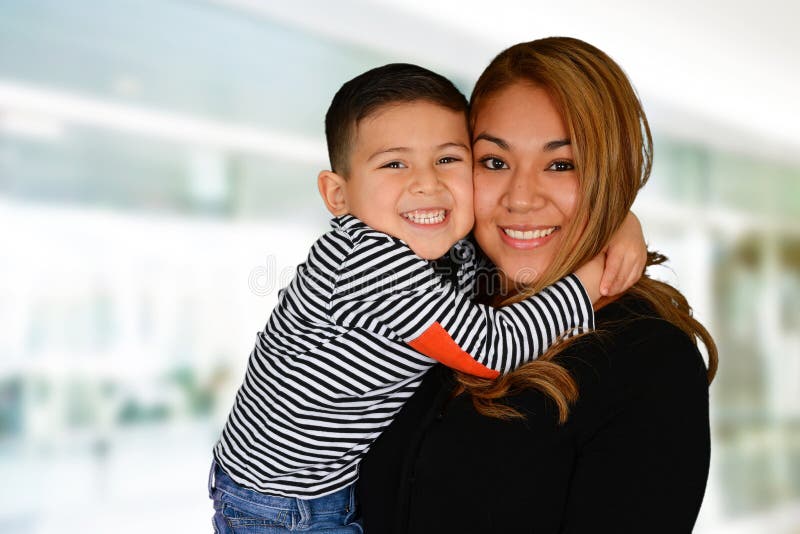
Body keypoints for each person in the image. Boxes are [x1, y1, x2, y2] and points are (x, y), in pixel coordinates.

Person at [208, 63, 647, 533]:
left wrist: (618, 220)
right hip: (281, 504)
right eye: (395, 164)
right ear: (338, 195)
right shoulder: (371, 264)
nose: (427, 183)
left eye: (449, 160)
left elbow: (509, 244)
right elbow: (488, 351)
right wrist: (589, 279)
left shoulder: (432, 245)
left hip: (312, 486)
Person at [358, 37, 719, 533]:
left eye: (562, 165)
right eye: (494, 162)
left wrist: (611, 218)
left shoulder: (650, 360)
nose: (521, 198)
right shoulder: (427, 292)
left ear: (611, 174)